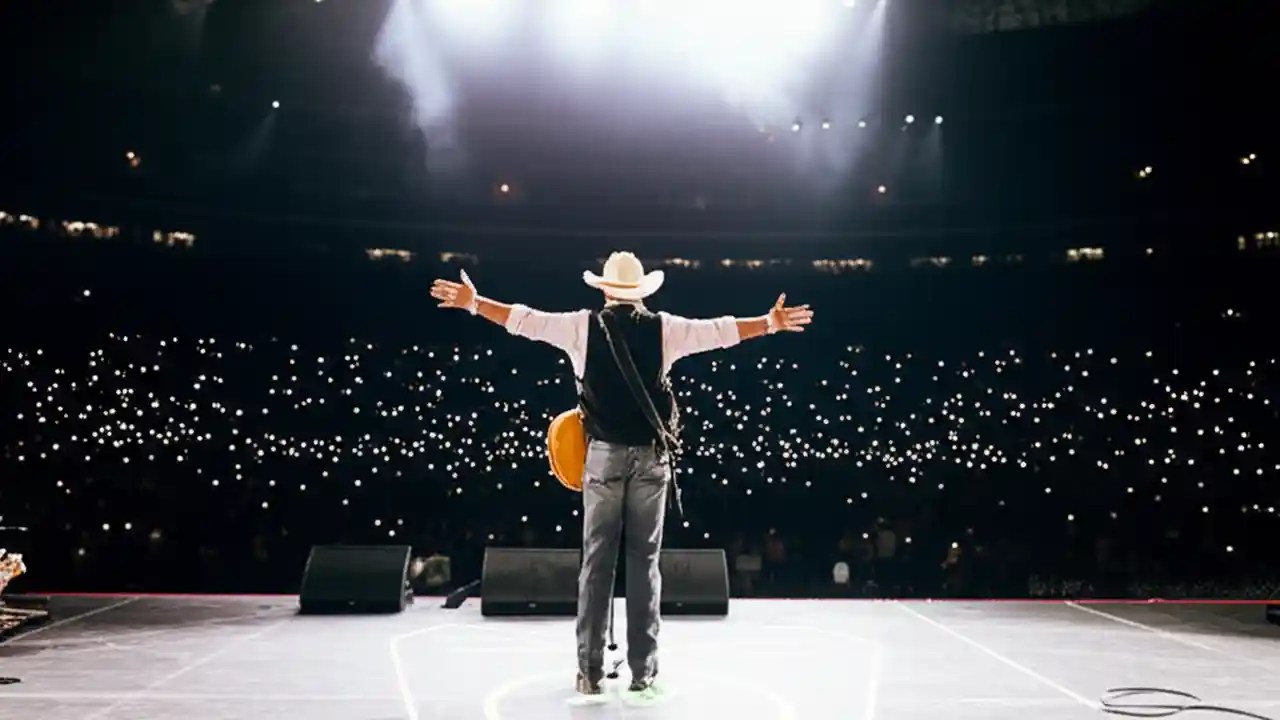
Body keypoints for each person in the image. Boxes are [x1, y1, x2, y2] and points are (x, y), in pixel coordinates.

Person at [430, 252, 814, 695]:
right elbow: (721, 331)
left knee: (596, 564)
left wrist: (475, 303)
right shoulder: (665, 329)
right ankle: (643, 670)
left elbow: (523, 320)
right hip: (652, 460)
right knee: (644, 564)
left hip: (604, 459)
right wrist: (769, 322)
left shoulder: (579, 327)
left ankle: (589, 673)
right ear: (642, 292)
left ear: (605, 289)